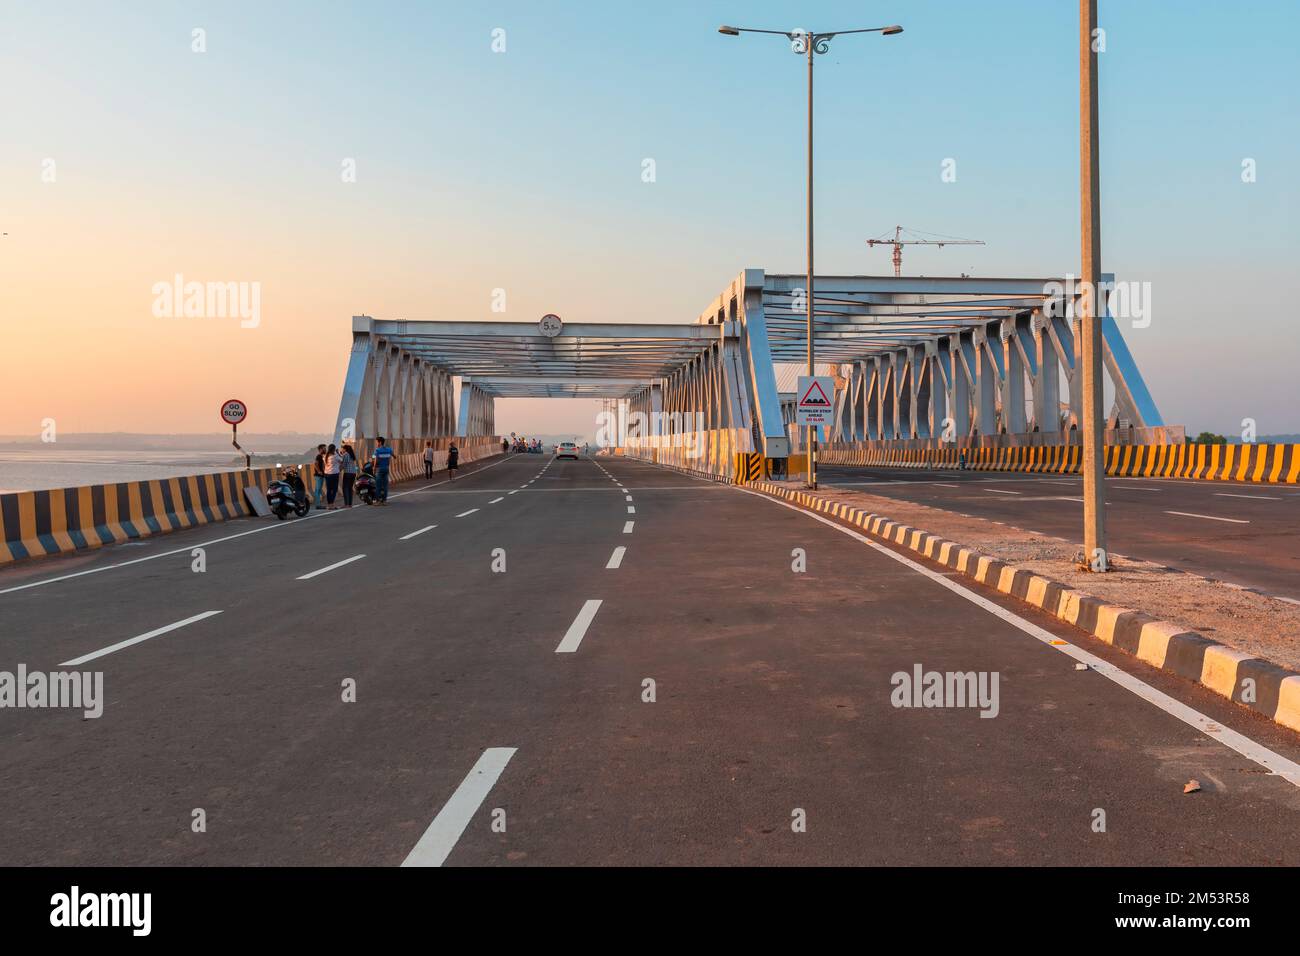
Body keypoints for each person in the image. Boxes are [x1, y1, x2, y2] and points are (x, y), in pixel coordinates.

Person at [372, 436, 394, 504]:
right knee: (385, 486)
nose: (376, 444)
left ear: (380, 442)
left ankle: (378, 501)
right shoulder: (389, 449)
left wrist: (374, 469)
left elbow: (376, 460)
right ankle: (384, 501)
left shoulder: (377, 450)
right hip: (386, 468)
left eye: (377, 442)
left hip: (380, 469)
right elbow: (394, 455)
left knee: (378, 485)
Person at [324, 443, 341, 509]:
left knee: (328, 489)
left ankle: (329, 504)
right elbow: (341, 460)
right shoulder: (335, 456)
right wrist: (338, 453)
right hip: (334, 474)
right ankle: (332, 504)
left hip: (327, 474)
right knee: (334, 489)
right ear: (334, 449)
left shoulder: (325, 456)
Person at [340, 443, 357, 507]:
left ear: (345, 449)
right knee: (350, 488)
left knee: (345, 488)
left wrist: (338, 471)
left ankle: (346, 504)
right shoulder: (351, 455)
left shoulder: (345, 455)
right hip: (353, 473)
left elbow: (343, 465)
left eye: (343, 449)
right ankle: (350, 504)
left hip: (347, 473)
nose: (342, 450)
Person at [311, 443, 327, 509]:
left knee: (319, 490)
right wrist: (319, 471)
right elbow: (315, 464)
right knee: (317, 490)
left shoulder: (321, 456)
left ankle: (318, 504)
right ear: (320, 449)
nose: (325, 449)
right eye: (324, 448)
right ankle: (318, 505)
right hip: (318, 476)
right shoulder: (319, 456)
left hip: (320, 475)